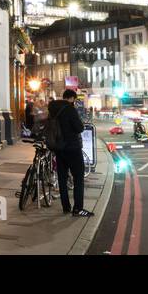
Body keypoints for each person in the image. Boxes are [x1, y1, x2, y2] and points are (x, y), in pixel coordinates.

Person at [48, 88, 92, 217]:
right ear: (71, 98)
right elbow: (79, 127)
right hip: (72, 148)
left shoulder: (53, 109)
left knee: (62, 178)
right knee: (78, 178)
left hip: (59, 148)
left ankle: (66, 207)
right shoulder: (70, 109)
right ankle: (78, 209)